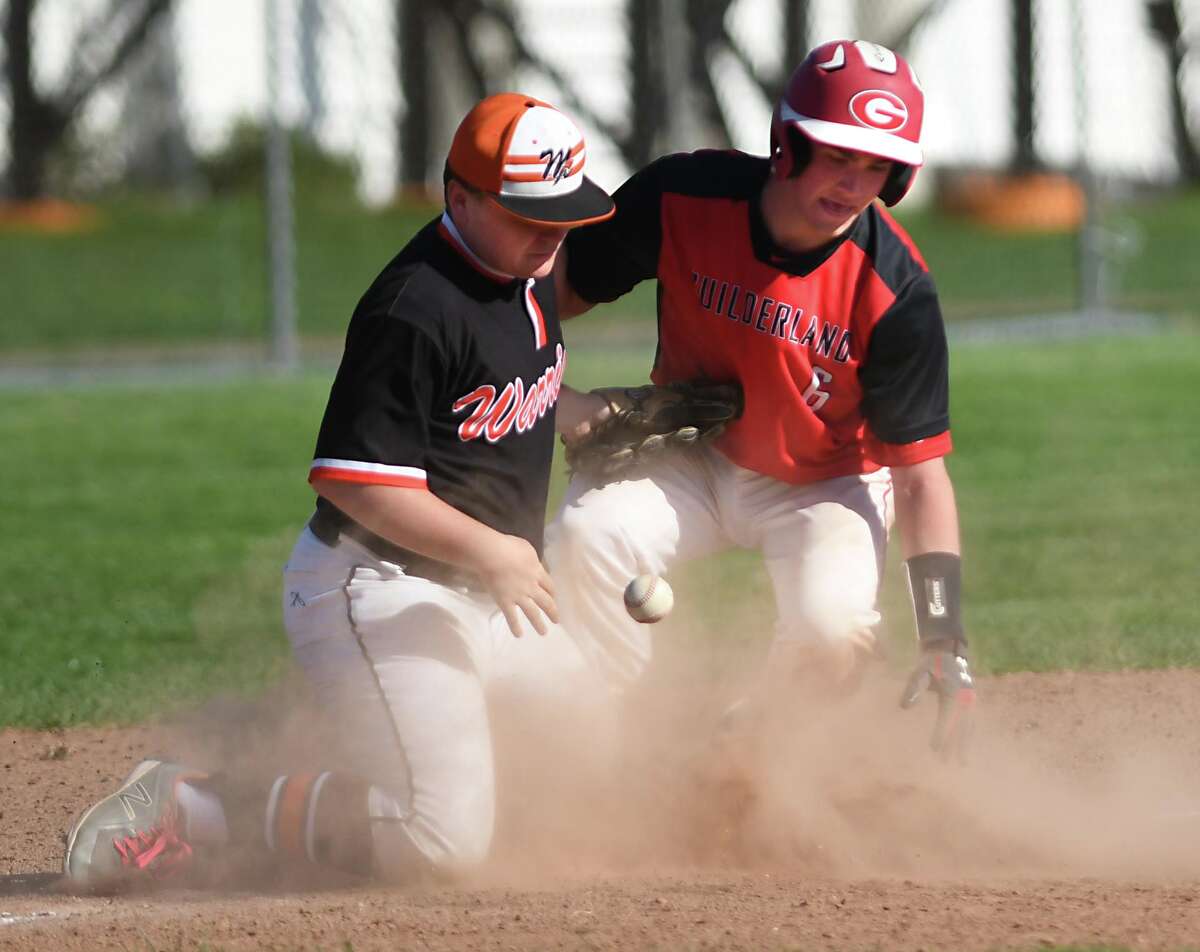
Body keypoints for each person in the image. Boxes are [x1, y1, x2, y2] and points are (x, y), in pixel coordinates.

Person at [62, 92, 616, 889]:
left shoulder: (525, 270)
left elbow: (484, 395)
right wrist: (493, 550)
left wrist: (585, 411)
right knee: (442, 842)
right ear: (459, 197)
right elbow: (356, 484)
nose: (553, 234)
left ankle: (358, 738)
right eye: (532, 213)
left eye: (564, 215)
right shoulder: (415, 307)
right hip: (380, 589)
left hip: (484, 592)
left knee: (602, 740)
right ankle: (195, 805)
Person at [548, 40, 976, 756]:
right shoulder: (686, 198)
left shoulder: (895, 289)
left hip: (826, 484)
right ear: (788, 144)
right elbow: (557, 291)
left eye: (877, 165)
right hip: (691, 453)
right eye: (839, 155)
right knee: (591, 536)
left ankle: (746, 748)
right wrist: (546, 396)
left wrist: (944, 638)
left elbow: (920, 474)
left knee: (832, 630)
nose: (853, 182)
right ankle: (601, 746)